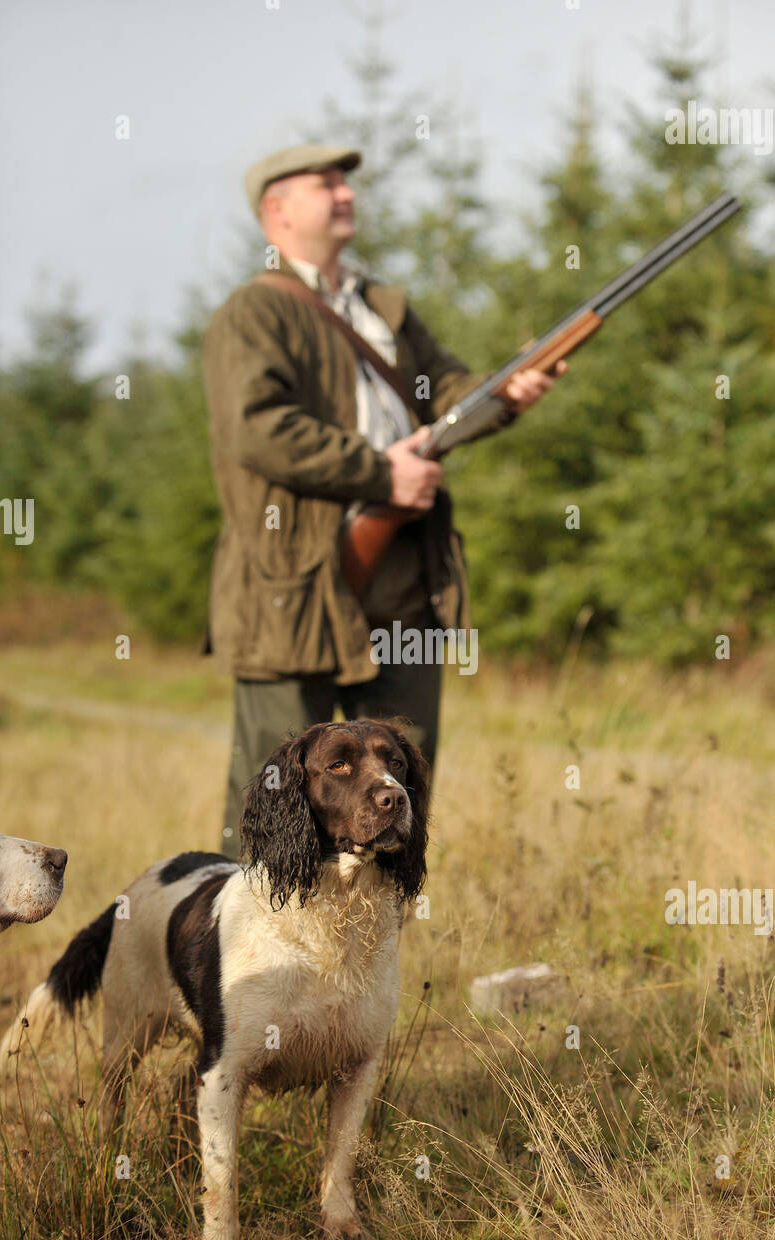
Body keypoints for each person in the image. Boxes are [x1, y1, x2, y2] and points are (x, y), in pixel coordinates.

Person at [203, 143, 564, 857]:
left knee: (400, 792)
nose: (344, 193)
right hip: (295, 579)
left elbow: (451, 392)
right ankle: (242, 964)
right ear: (276, 210)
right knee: (274, 794)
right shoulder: (254, 313)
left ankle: (374, 964)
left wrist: (509, 392)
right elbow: (258, 430)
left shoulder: (382, 307)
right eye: (323, 183)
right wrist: (378, 473)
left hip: (401, 574)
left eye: (345, 182)